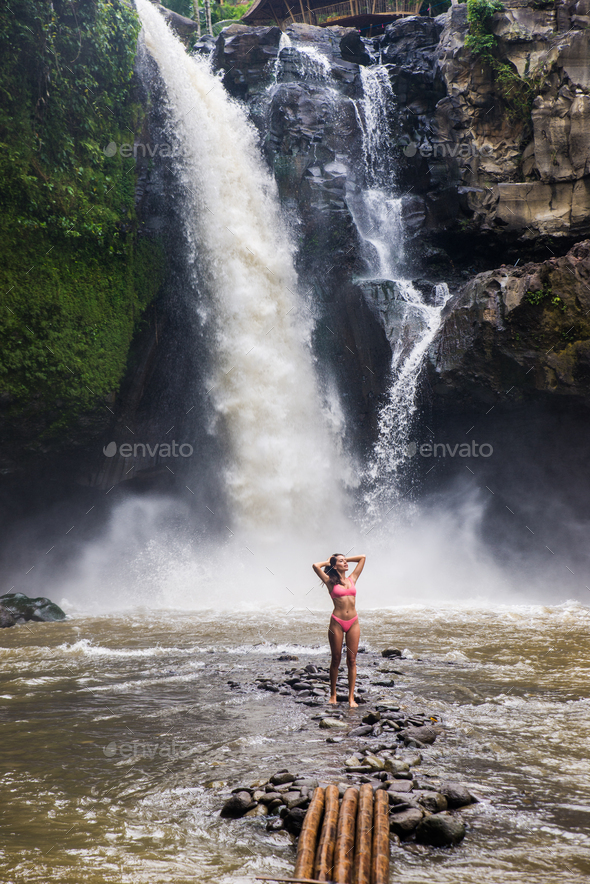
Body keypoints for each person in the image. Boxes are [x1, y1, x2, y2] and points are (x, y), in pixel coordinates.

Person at [312, 552, 366, 708]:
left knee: (352, 660)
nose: (346, 563)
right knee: (336, 659)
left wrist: (344, 559)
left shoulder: (352, 578)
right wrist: (330, 562)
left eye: (345, 561)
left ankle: (351, 698)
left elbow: (362, 558)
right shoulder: (330, 581)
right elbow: (316, 566)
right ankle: (333, 695)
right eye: (342, 562)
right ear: (335, 566)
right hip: (337, 622)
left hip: (353, 622)